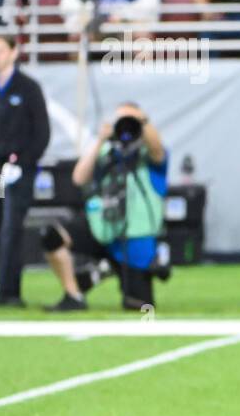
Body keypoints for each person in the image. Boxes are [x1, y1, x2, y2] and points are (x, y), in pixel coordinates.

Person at [42, 103, 169, 312]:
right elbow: (79, 177)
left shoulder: (150, 157)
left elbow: (157, 149)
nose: (126, 125)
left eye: (131, 120)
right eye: (121, 120)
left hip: (136, 242)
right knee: (51, 235)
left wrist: (140, 120)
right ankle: (74, 295)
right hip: (104, 230)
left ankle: (105, 269)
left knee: (140, 305)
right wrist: (100, 139)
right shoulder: (108, 151)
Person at [0, 33, 49, 307]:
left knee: (11, 227)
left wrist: (24, 160)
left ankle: (8, 292)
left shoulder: (28, 88)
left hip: (19, 168)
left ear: (14, 52)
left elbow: (41, 132)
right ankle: (3, 284)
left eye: (0, 51)